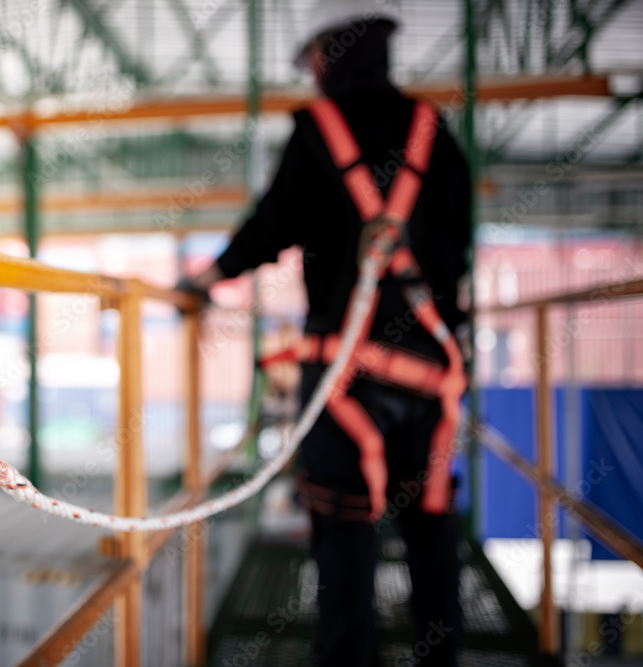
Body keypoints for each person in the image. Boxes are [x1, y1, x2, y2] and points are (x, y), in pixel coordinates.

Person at [178, 1, 472, 665]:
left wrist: (207, 279)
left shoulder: (319, 131)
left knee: (345, 540)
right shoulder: (435, 132)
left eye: (314, 57)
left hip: (344, 377)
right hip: (431, 374)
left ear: (332, 52)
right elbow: (459, 246)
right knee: (430, 530)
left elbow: (270, 225)